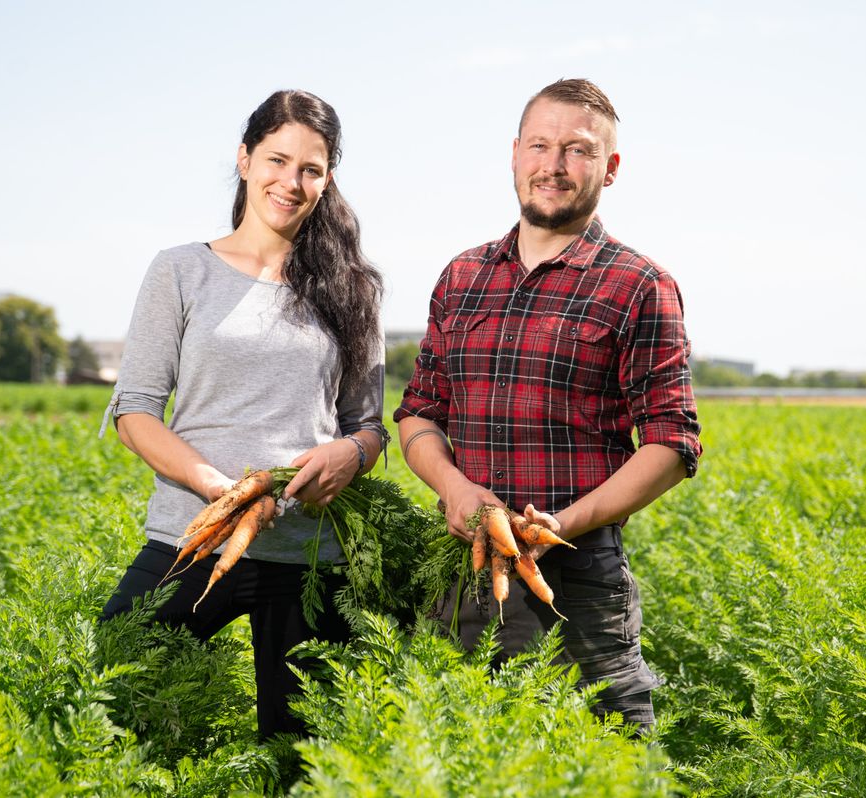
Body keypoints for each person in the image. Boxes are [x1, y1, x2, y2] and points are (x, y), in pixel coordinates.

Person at [395, 78, 702, 735]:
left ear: (609, 168)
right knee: (455, 757)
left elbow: (672, 445)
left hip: (579, 585)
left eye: (577, 150)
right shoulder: (463, 276)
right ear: (514, 154)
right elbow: (420, 412)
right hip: (465, 574)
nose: (554, 165)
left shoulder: (640, 285)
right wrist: (455, 489)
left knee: (610, 761)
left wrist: (563, 522)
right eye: (540, 145)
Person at [98, 89, 387, 739]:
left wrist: (350, 454)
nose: (291, 181)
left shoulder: (353, 290)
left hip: (305, 557)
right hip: (193, 536)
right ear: (245, 159)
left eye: (310, 169)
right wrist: (222, 491)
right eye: (277, 160)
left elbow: (368, 428)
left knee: (296, 754)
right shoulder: (181, 270)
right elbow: (135, 411)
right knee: (115, 685)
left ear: (327, 180)